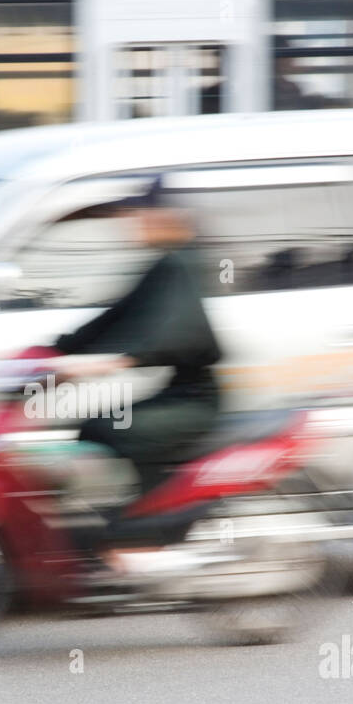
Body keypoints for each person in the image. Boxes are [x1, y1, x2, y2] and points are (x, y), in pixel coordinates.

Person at [52, 179, 222, 493]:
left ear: (167, 218)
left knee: (106, 429)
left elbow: (181, 334)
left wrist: (106, 365)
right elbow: (114, 317)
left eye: (142, 216)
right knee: (96, 427)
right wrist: (54, 350)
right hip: (178, 394)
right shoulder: (163, 265)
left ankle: (141, 525)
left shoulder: (182, 263)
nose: (134, 225)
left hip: (195, 404)